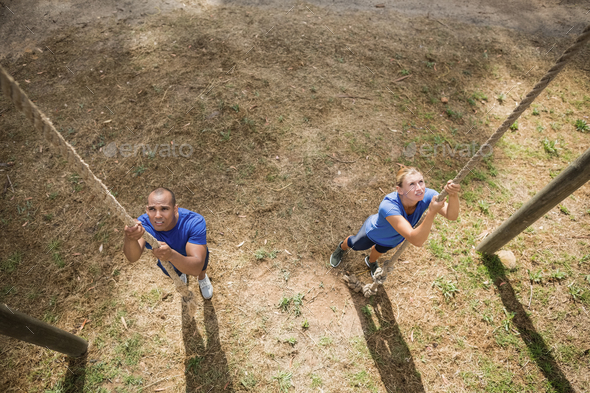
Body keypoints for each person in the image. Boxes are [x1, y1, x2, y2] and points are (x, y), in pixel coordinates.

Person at [329, 165, 460, 277]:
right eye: (412, 184)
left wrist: (453, 195)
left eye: (421, 181)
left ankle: (371, 261)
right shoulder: (389, 206)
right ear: (400, 190)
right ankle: (341, 247)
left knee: (379, 250)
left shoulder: (428, 195)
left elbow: (452, 215)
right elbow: (417, 240)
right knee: (355, 244)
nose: (420, 188)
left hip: (394, 239)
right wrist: (431, 212)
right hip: (373, 233)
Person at [122, 187, 213, 299]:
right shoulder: (143, 225)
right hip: (169, 263)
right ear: (147, 210)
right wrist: (130, 237)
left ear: (175, 209)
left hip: (193, 259)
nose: (158, 215)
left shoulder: (194, 222)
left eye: (164, 209)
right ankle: (180, 275)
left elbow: (195, 268)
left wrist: (172, 255)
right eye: (152, 209)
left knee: (201, 269)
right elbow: (132, 258)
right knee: (176, 272)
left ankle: (202, 278)